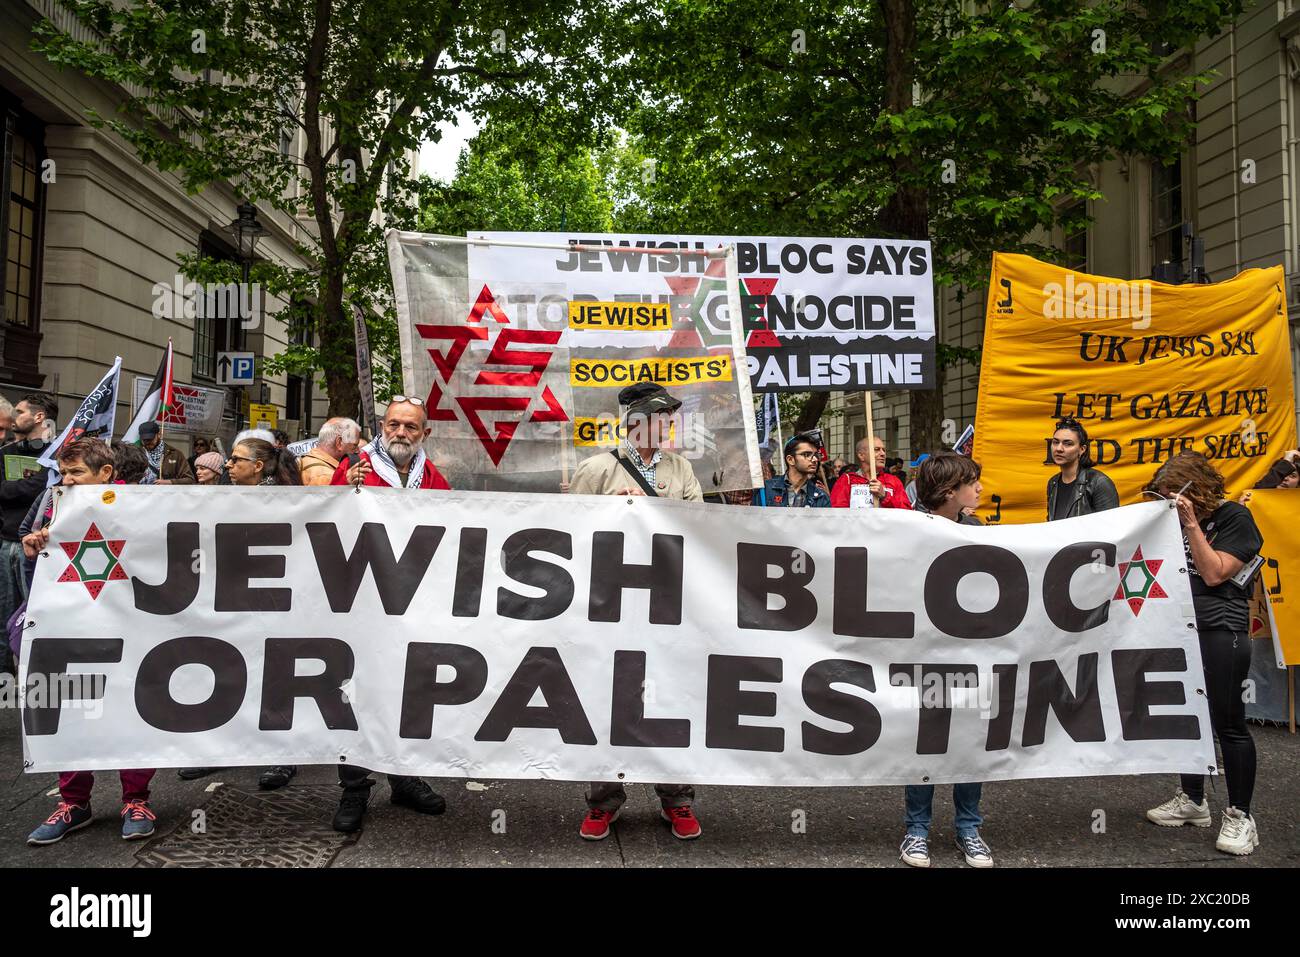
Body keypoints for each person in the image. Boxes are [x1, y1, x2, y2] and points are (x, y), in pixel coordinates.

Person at [568, 382, 703, 841]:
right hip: (612, 603)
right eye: (658, 416)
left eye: (668, 417)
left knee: (668, 696)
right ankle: (604, 800)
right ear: (633, 420)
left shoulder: (681, 468)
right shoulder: (595, 468)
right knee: (611, 697)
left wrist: (657, 512)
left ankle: (676, 798)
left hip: (665, 601)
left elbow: (701, 527)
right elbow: (571, 533)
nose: (666, 424)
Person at [25, 438, 159, 845]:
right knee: (71, 707)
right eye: (63, 473)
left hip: (129, 625)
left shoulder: (139, 506)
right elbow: (29, 538)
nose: (66, 480)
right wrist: (36, 546)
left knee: (131, 705)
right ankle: (73, 801)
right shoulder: (56, 503)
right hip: (74, 625)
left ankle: (136, 799)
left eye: (76, 472)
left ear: (106, 473)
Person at [326, 397, 448, 831]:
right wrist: (344, 488)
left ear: (424, 434)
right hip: (360, 605)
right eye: (393, 425)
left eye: (410, 427)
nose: (400, 433)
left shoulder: (432, 477)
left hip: (411, 607)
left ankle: (403, 777)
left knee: (406, 693)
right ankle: (354, 789)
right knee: (357, 693)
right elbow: (325, 524)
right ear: (382, 426)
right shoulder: (356, 466)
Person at [1143, 452, 1263, 855]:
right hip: (1180, 627)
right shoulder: (1171, 519)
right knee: (1186, 718)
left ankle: (1240, 815)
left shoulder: (1235, 519)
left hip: (1220, 629)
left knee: (1228, 722)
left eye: (1169, 496)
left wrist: (1192, 525)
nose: (1167, 504)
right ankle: (1193, 800)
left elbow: (1214, 573)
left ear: (1195, 487)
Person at [900, 452, 994, 868]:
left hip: (970, 651)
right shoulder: (906, 529)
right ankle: (916, 830)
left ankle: (968, 828)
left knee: (970, 738)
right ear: (950, 491)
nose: (979, 490)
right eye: (972, 483)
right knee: (927, 739)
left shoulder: (978, 529)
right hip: (923, 650)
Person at [0, 393, 56, 670]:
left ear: (38, 417)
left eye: (19, 411)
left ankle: (32, 672)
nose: (13, 418)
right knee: (4, 614)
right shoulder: (6, 452)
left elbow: (42, 490)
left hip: (37, 547)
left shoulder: (55, 455)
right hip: (6, 542)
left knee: (33, 613)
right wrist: (22, 490)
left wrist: (15, 491)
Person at [1046, 416, 1118, 520]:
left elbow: (1111, 528)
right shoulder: (1053, 483)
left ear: (1082, 449)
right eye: (1056, 442)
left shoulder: (1098, 482)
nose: (1059, 448)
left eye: (1068, 444)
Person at [831, 436, 911, 510]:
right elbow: (838, 515)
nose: (883, 454)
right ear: (861, 455)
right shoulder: (847, 480)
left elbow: (906, 513)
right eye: (877, 449)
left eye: (884, 450)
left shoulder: (894, 481)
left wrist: (885, 496)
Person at [753, 433, 831, 507]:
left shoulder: (821, 497)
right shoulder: (765, 490)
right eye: (806, 454)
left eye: (816, 455)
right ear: (790, 460)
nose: (814, 459)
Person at [299, 417, 361, 486]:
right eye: (355, 445)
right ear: (339, 442)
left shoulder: (305, 460)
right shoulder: (326, 476)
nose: (358, 451)